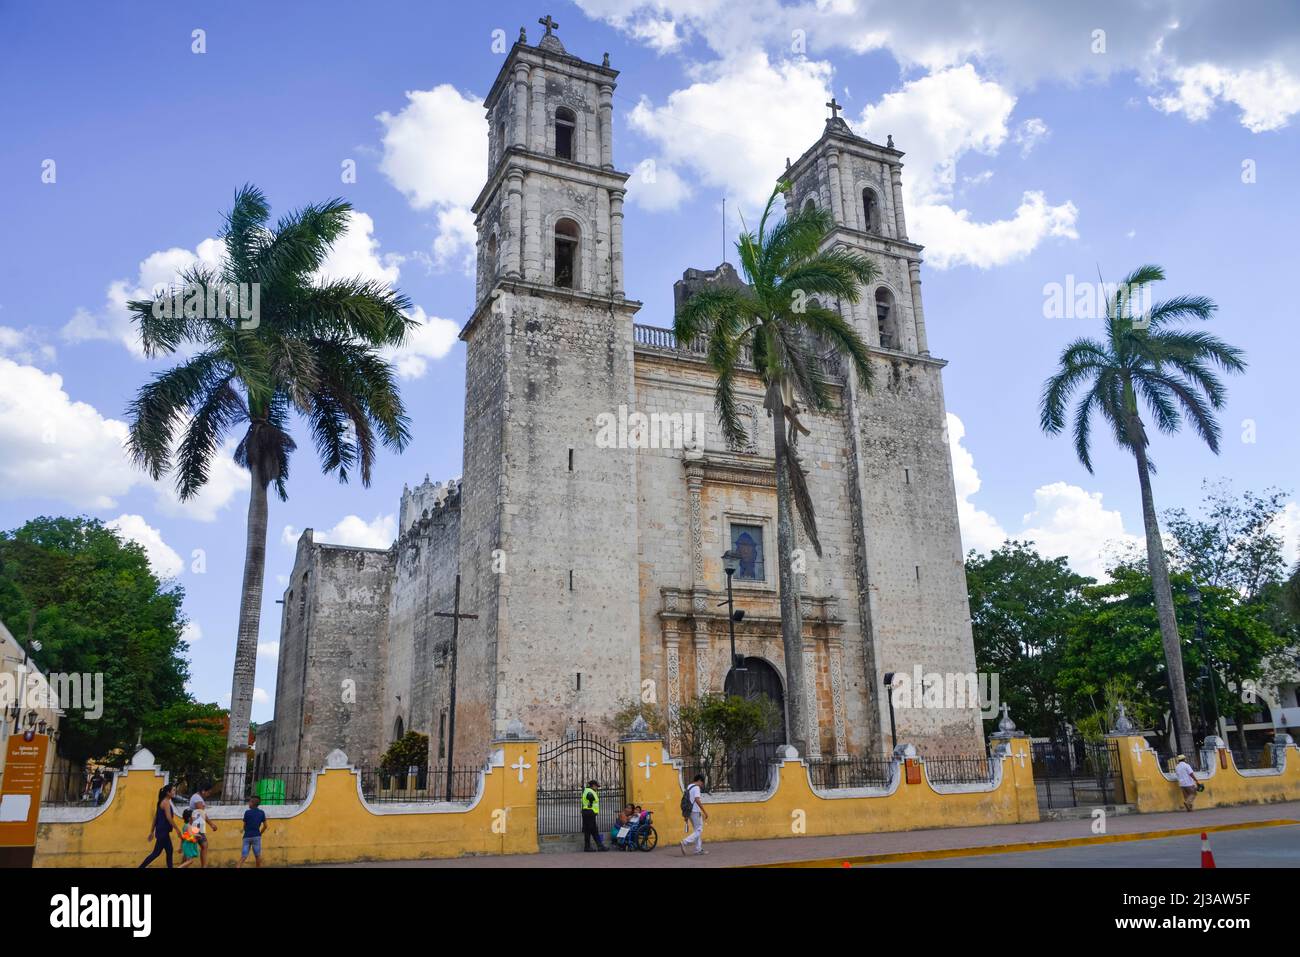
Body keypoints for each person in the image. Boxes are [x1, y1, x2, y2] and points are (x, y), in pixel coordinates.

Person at [139, 784, 183, 868]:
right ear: (168, 793)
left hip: (162, 831)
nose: (174, 792)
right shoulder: (165, 802)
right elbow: (169, 818)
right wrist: (177, 829)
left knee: (168, 850)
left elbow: (155, 818)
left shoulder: (161, 801)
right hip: (163, 832)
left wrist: (152, 831)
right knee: (157, 853)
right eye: (173, 790)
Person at [188, 785, 218, 868]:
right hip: (196, 825)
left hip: (196, 825)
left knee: (199, 845)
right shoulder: (197, 798)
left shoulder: (197, 797)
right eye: (208, 792)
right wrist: (211, 824)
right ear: (203, 791)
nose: (208, 794)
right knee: (201, 845)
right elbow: (201, 813)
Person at [680, 773, 708, 856]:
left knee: (697, 830)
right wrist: (704, 811)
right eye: (702, 783)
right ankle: (685, 842)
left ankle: (698, 849)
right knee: (699, 830)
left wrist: (686, 815)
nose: (702, 785)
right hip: (695, 811)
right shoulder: (696, 788)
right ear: (699, 780)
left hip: (689, 812)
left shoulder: (689, 786)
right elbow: (697, 799)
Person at [238, 795, 268, 868]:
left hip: (247, 836)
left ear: (252, 803)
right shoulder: (261, 813)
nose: (248, 803)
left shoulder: (247, 812)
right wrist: (260, 833)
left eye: (249, 802)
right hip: (256, 836)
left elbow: (244, 825)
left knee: (243, 856)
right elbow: (266, 826)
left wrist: (246, 830)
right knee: (257, 856)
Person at [580, 779, 607, 852]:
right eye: (596, 786)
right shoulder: (589, 791)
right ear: (593, 785)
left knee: (593, 830)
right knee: (589, 830)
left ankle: (599, 846)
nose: (597, 788)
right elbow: (590, 797)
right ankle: (588, 847)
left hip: (588, 812)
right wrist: (591, 803)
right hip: (589, 812)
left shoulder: (588, 791)